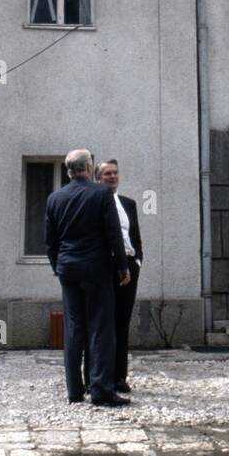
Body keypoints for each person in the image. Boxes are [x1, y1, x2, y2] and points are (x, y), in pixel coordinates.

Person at [45, 148, 131, 407]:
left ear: (68, 170)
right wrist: (123, 267)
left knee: (74, 328)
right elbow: (113, 233)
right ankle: (101, 389)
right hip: (96, 268)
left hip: (68, 268)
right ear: (89, 167)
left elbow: (50, 241)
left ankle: (74, 390)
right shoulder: (101, 193)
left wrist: (57, 266)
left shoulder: (55, 198)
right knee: (100, 327)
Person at [94, 159, 142, 393]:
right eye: (107, 174)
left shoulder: (128, 204)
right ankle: (103, 377)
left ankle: (120, 377)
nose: (112, 177)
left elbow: (135, 236)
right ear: (98, 179)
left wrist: (138, 261)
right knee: (105, 323)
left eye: (115, 173)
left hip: (130, 266)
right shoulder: (94, 204)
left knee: (122, 322)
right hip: (107, 267)